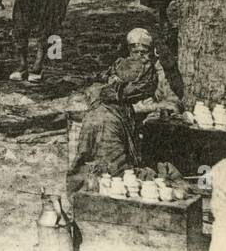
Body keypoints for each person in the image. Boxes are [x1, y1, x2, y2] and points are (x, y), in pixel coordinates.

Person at [67, 28, 179, 196]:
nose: (140, 55)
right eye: (136, 50)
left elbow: (171, 99)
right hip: (108, 158)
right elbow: (116, 169)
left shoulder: (150, 71)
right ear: (129, 50)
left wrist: (160, 108)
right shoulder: (122, 73)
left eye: (144, 51)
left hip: (121, 119)